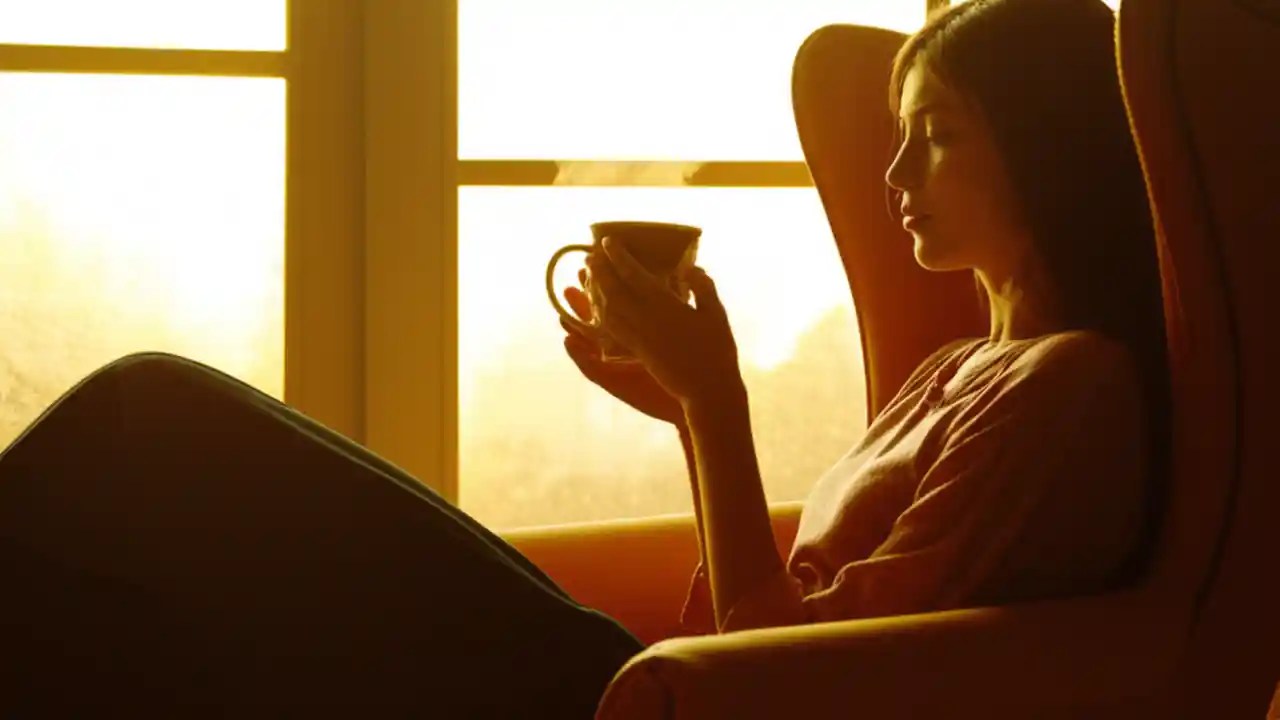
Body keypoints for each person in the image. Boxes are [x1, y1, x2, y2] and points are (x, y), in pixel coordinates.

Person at [0, 0, 1167, 715]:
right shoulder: (957, 371)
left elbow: (807, 682)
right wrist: (682, 405)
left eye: (938, 135)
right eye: (900, 134)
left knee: (151, 416)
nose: (894, 174)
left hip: (637, 704)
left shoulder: (1069, 384)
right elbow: (759, 631)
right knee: (130, 631)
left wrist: (715, 403)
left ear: (1045, 146)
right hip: (664, 687)